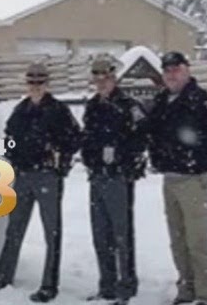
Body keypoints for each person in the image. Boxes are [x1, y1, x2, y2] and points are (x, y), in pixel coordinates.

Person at [0, 61, 83, 303]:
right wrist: (10, 159)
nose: (35, 86)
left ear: (47, 83)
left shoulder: (58, 110)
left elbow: (74, 139)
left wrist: (60, 163)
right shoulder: (20, 110)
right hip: (22, 176)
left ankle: (49, 285)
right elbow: (8, 137)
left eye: (40, 81)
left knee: (51, 232)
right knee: (14, 229)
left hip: (47, 176)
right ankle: (3, 279)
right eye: (31, 81)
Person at [145, 51, 207, 305]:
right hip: (170, 179)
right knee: (178, 239)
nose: (172, 74)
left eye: (176, 69)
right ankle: (187, 287)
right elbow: (152, 133)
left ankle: (206, 294)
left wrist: (198, 160)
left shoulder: (202, 101)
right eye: (167, 70)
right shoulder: (161, 101)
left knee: (198, 240)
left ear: (187, 70)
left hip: (194, 180)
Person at [80, 55, 148, 304]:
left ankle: (126, 287)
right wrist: (90, 159)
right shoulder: (93, 106)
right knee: (101, 235)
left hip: (119, 177)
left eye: (106, 77)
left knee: (122, 235)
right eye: (97, 77)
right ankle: (106, 285)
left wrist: (121, 154)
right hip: (97, 177)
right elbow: (86, 138)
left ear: (114, 78)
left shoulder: (129, 105)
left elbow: (142, 137)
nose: (101, 82)